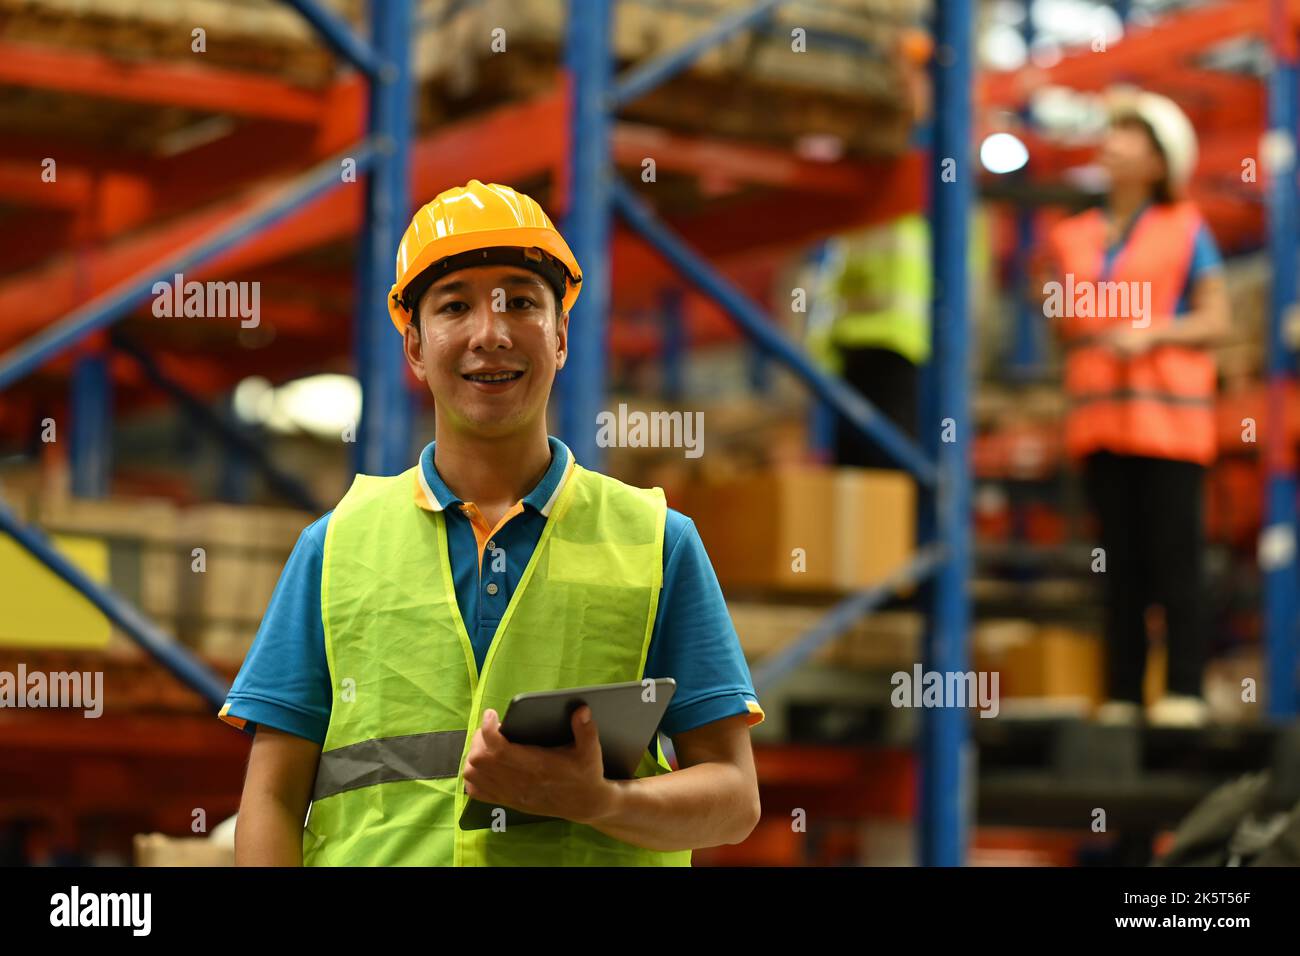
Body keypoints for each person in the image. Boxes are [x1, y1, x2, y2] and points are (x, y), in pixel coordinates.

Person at [220, 180, 764, 865]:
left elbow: (734, 799)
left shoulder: (658, 544)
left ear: (561, 336)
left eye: (521, 302)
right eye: (455, 307)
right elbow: (270, 797)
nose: (491, 333)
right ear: (415, 348)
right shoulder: (333, 549)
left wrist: (599, 801)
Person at [1044, 90, 1232, 727]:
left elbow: (1216, 318)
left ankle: (1184, 692)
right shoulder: (1073, 236)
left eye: (1131, 134)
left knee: (1176, 561)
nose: (1113, 142)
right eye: (1113, 130)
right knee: (1117, 566)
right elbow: (1058, 323)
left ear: (1159, 162)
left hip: (1171, 427)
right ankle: (1123, 695)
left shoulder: (1186, 229)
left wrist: (1151, 333)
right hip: (1100, 426)